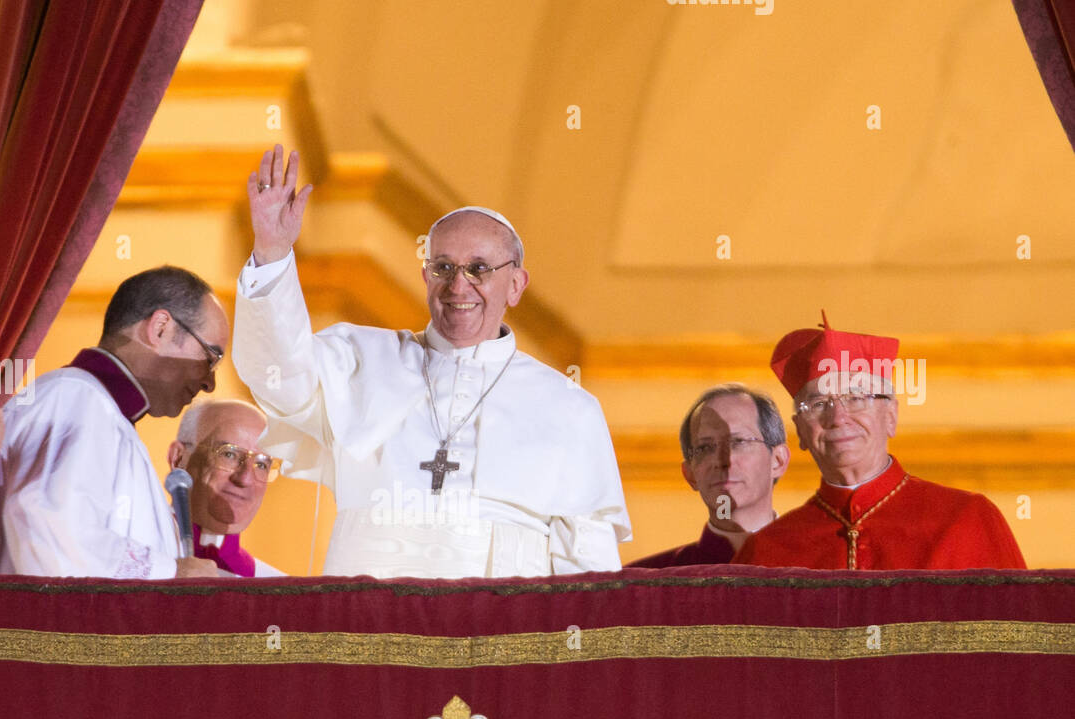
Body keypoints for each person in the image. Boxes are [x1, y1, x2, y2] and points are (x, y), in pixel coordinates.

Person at [231, 145, 631, 578]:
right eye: (443, 267)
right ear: (425, 277)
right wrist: (271, 254)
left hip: (505, 632)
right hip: (371, 624)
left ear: (515, 285)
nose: (458, 286)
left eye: (479, 269)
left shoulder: (570, 407)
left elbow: (590, 566)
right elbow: (277, 375)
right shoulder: (360, 360)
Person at [0, 266, 227, 577]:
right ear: (161, 328)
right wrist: (172, 572)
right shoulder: (74, 397)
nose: (209, 384)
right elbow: (49, 528)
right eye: (210, 357)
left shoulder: (101, 409)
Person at [733, 315, 1026, 570]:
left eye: (856, 398)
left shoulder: (966, 521)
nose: (838, 418)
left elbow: (1019, 630)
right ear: (800, 431)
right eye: (819, 403)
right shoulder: (765, 553)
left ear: (891, 415)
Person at [629, 384, 789, 567]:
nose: (723, 461)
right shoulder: (647, 582)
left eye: (739, 442)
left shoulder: (823, 571)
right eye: (705, 448)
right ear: (690, 474)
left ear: (778, 460)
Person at [167, 397, 283, 576]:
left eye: (261, 465)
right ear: (179, 458)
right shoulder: (133, 555)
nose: (245, 479)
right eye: (229, 454)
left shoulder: (276, 589)